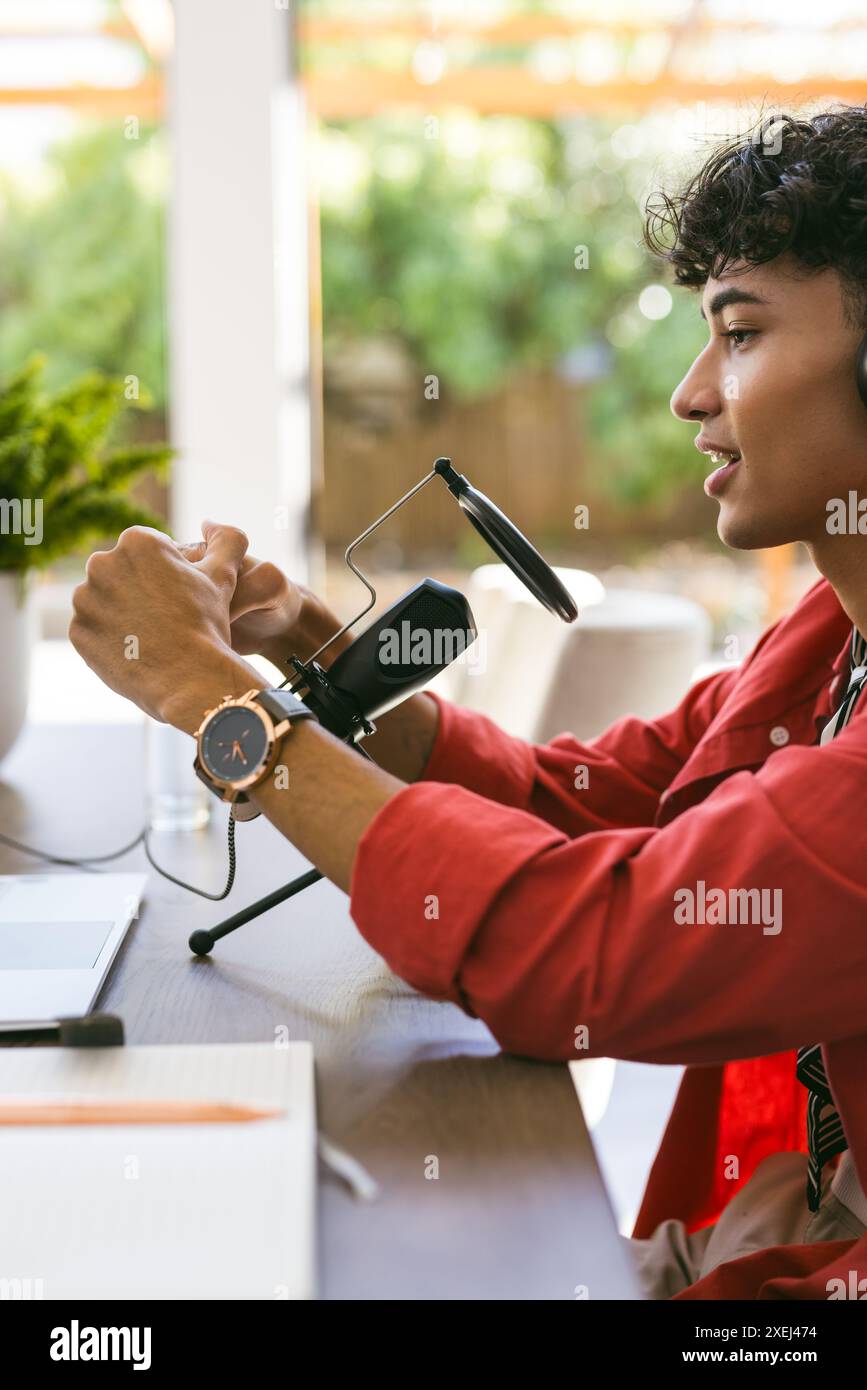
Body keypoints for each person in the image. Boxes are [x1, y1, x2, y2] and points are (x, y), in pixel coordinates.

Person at [69, 106, 867, 1300]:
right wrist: (303, 637)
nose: (690, 396)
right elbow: (583, 800)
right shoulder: (824, 643)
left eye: (740, 334)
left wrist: (216, 703)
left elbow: (594, 951)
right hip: (768, 1220)